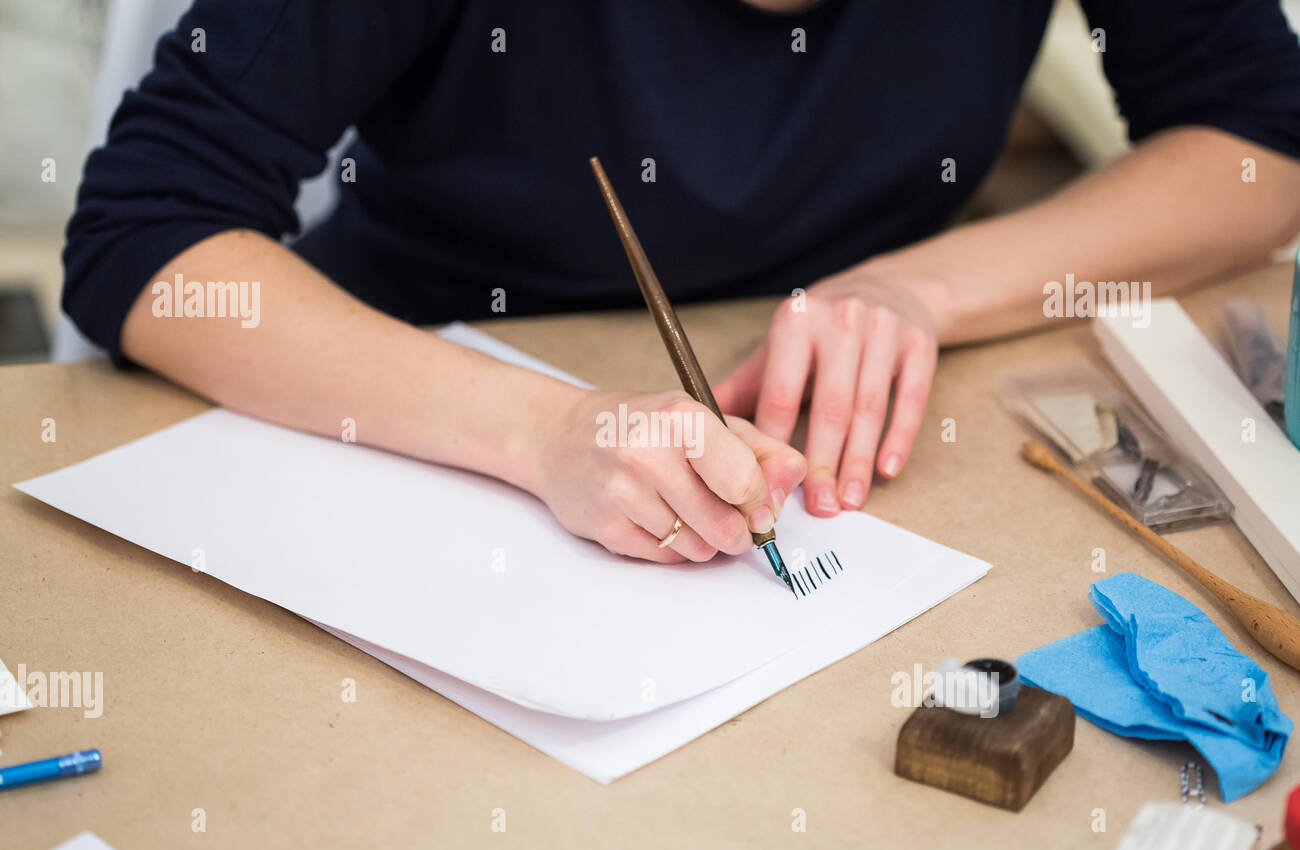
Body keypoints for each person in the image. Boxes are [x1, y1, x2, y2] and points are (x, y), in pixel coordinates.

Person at [63, 0, 1300, 565]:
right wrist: (544, 428)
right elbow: (144, 234)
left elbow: (1262, 145)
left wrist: (923, 289)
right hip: (407, 389)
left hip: (859, 424)